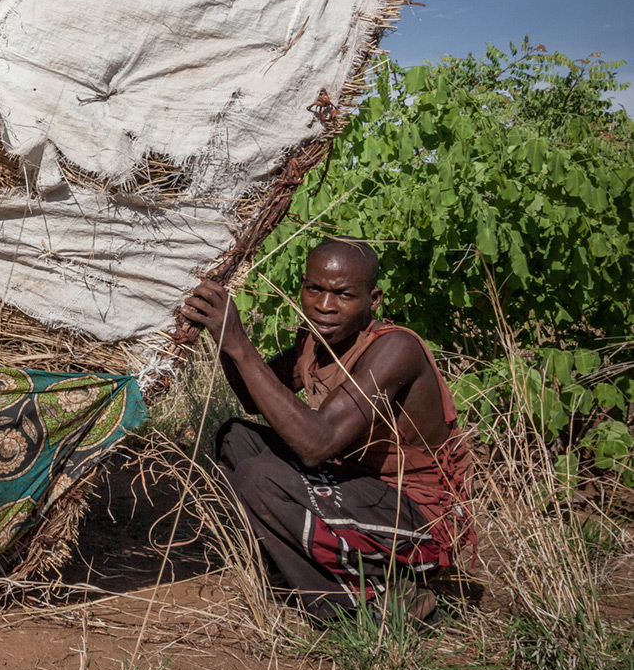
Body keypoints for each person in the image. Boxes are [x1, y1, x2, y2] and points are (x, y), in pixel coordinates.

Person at [179, 238, 475, 624]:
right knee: (238, 438)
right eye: (313, 289)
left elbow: (317, 444)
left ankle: (371, 601)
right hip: (358, 488)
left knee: (262, 477)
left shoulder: (395, 349)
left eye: (343, 294)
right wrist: (224, 338)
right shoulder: (316, 342)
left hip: (417, 516)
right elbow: (256, 399)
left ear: (374, 299)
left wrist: (239, 343)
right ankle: (303, 574)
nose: (324, 305)